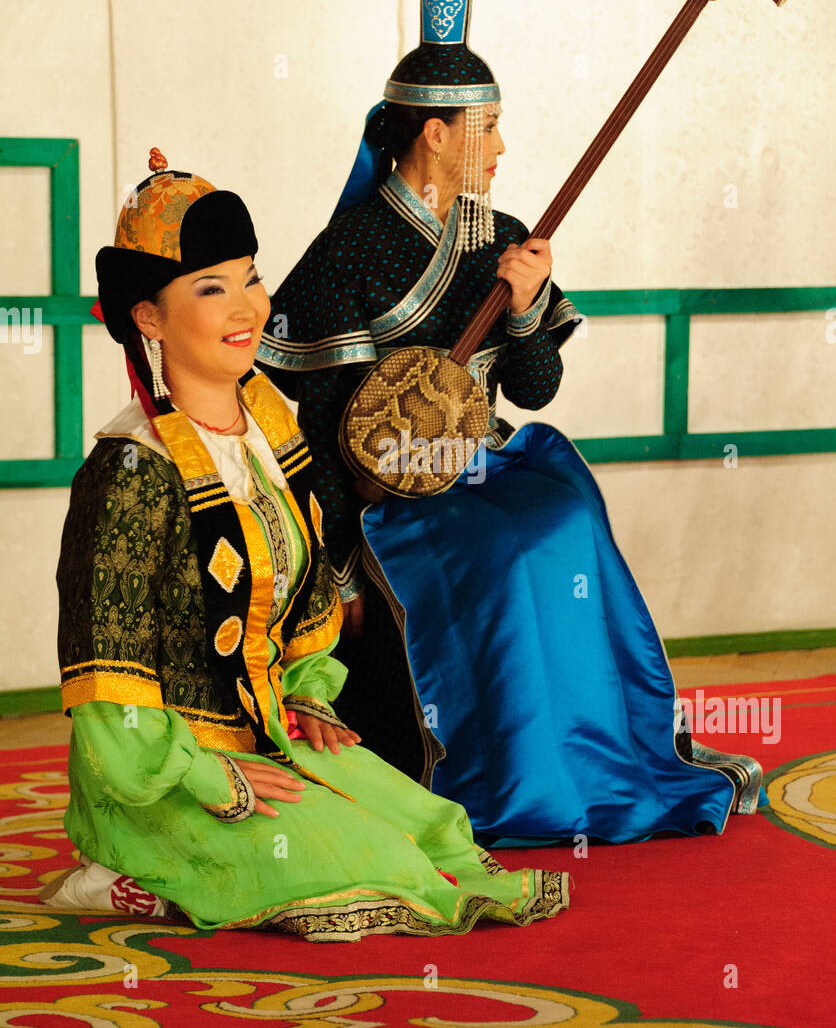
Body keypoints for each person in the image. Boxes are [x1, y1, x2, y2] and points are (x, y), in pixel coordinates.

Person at [256, 0, 765, 845]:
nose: (501, 148)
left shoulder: (505, 235)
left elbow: (535, 392)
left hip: (488, 464)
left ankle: (604, 754)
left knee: (561, 521)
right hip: (392, 492)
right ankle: (504, 775)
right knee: (504, 553)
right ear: (436, 132)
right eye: (486, 128)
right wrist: (335, 570)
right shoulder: (350, 250)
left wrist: (525, 309)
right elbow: (323, 416)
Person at [43, 150, 569, 939]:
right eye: (210, 289)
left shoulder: (269, 433)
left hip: (269, 731)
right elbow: (106, 685)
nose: (245, 308)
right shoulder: (130, 471)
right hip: (161, 773)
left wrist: (306, 696)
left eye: (250, 279)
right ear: (147, 316)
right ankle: (128, 870)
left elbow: (301, 599)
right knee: (367, 861)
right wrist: (206, 775)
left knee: (431, 830)